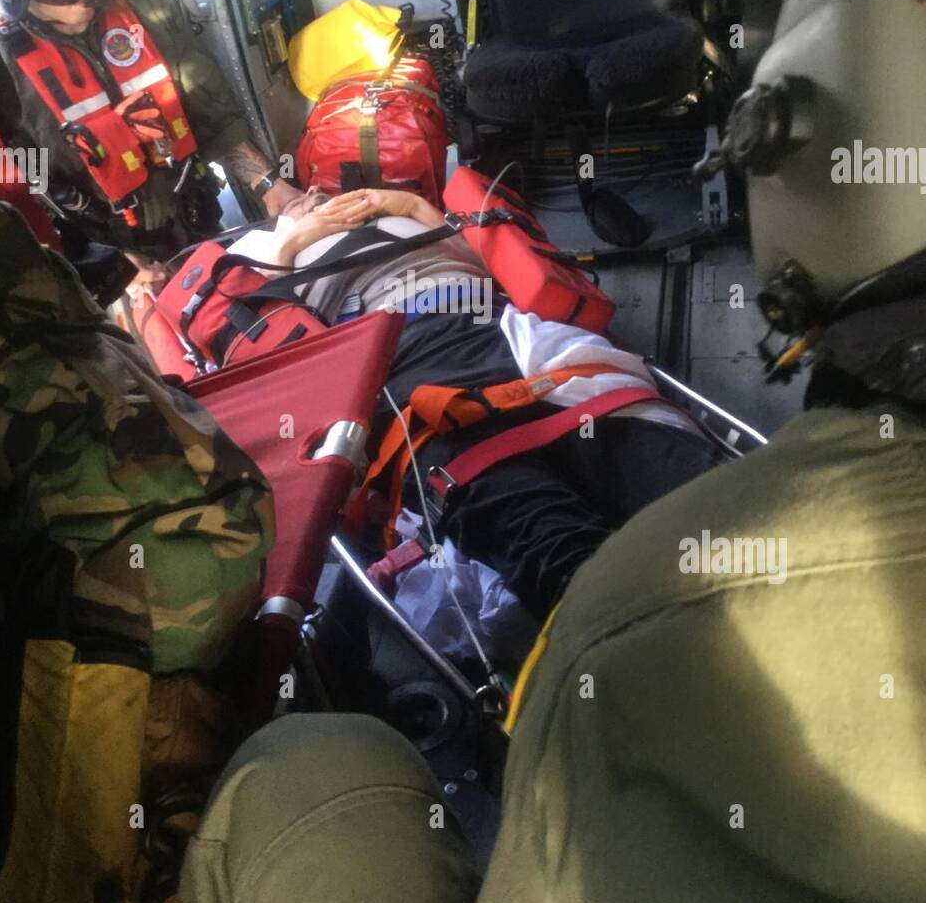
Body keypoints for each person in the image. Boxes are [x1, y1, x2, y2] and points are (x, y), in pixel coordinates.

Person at [179, 0, 926, 903]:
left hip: (519, 361)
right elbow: (212, 311)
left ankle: (651, 720)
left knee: (688, 512)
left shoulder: (442, 211)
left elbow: (530, 279)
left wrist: (411, 214)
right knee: (577, 558)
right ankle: (648, 696)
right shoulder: (268, 250)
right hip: (433, 393)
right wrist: (299, 240)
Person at [248, 182, 719, 621]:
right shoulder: (273, 263)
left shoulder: (401, 213)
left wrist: (406, 205)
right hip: (409, 365)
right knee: (553, 544)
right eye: (297, 201)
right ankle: (622, 631)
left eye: (319, 189)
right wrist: (289, 245)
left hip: (500, 328)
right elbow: (284, 361)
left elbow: (473, 255)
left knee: (692, 489)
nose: (313, 191)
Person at [0, 0, 299, 299]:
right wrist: (101, 262)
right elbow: (21, 186)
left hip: (196, 218)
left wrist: (269, 184)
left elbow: (209, 107)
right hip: (121, 262)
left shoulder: (138, 5)